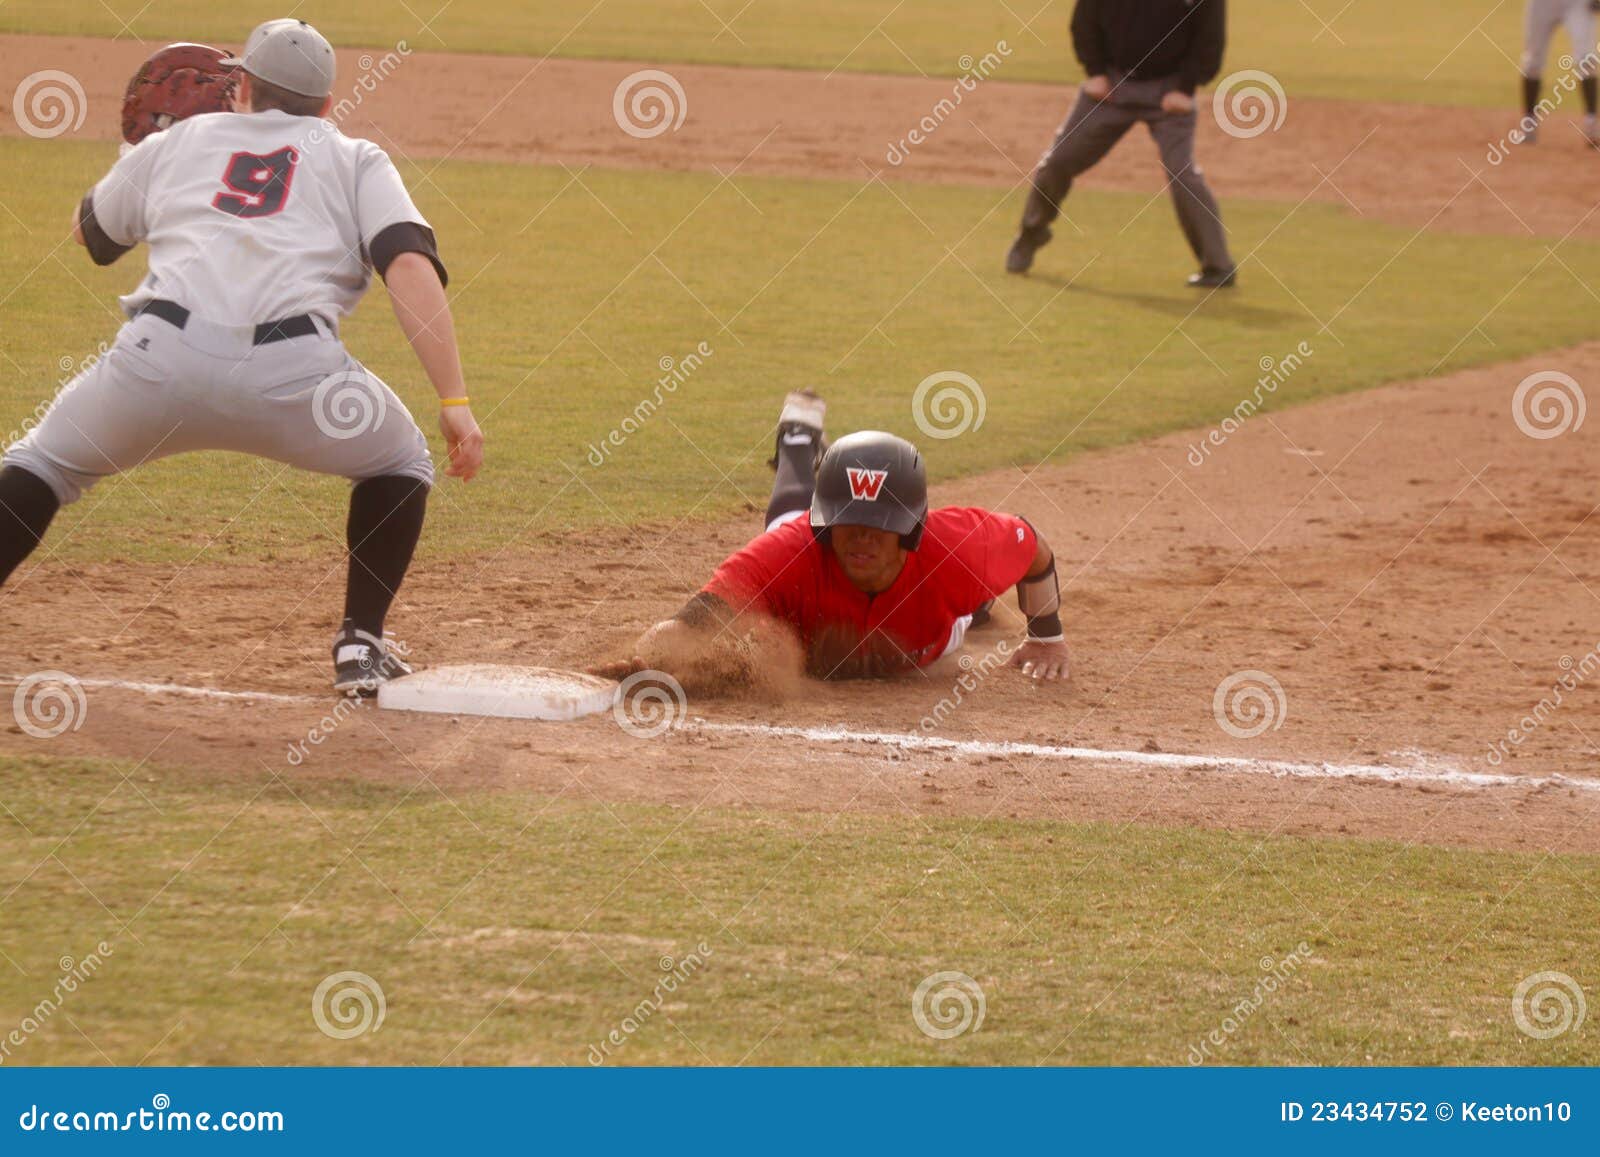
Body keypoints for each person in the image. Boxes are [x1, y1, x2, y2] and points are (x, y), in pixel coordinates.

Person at [0, 18, 484, 695]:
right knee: (399, 462)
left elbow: (93, 236)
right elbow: (407, 264)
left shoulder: (177, 142)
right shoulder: (356, 158)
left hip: (155, 361)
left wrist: (137, 154)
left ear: (245, 86)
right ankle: (360, 645)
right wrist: (453, 399)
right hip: (295, 375)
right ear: (326, 104)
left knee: (43, 464)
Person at [596, 392, 1071, 683]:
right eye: (847, 520)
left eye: (879, 525)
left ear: (910, 528)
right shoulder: (792, 551)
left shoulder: (959, 549)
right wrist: (644, 662)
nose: (861, 538)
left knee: (969, 602)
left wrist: (1047, 638)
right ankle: (798, 440)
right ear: (825, 521)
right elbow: (695, 619)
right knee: (785, 523)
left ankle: (799, 438)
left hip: (932, 634)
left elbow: (1033, 546)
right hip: (803, 577)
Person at [1006, 0, 1236, 288]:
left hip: (1171, 91)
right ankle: (1032, 231)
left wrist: (1186, 87)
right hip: (1112, 85)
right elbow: (1084, 20)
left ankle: (1217, 266)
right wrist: (1095, 71)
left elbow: (1210, 37)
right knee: (1059, 160)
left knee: (1182, 173)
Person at [1517, 0, 1600, 145]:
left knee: (1586, 60)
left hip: (1578, 3)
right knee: (1532, 62)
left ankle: (1591, 125)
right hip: (1541, 4)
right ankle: (1529, 125)